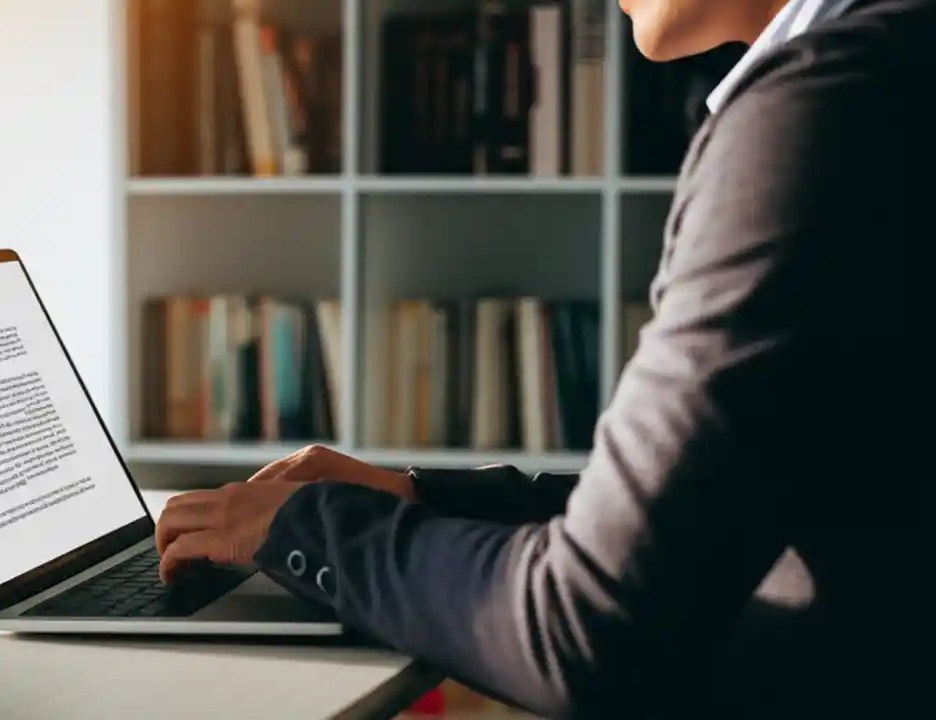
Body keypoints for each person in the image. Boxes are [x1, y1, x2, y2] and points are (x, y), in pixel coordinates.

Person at [155, 0, 928, 716]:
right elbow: (735, 517)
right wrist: (419, 499)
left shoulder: (831, 108)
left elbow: (590, 630)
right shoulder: (893, 63)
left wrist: (305, 529)